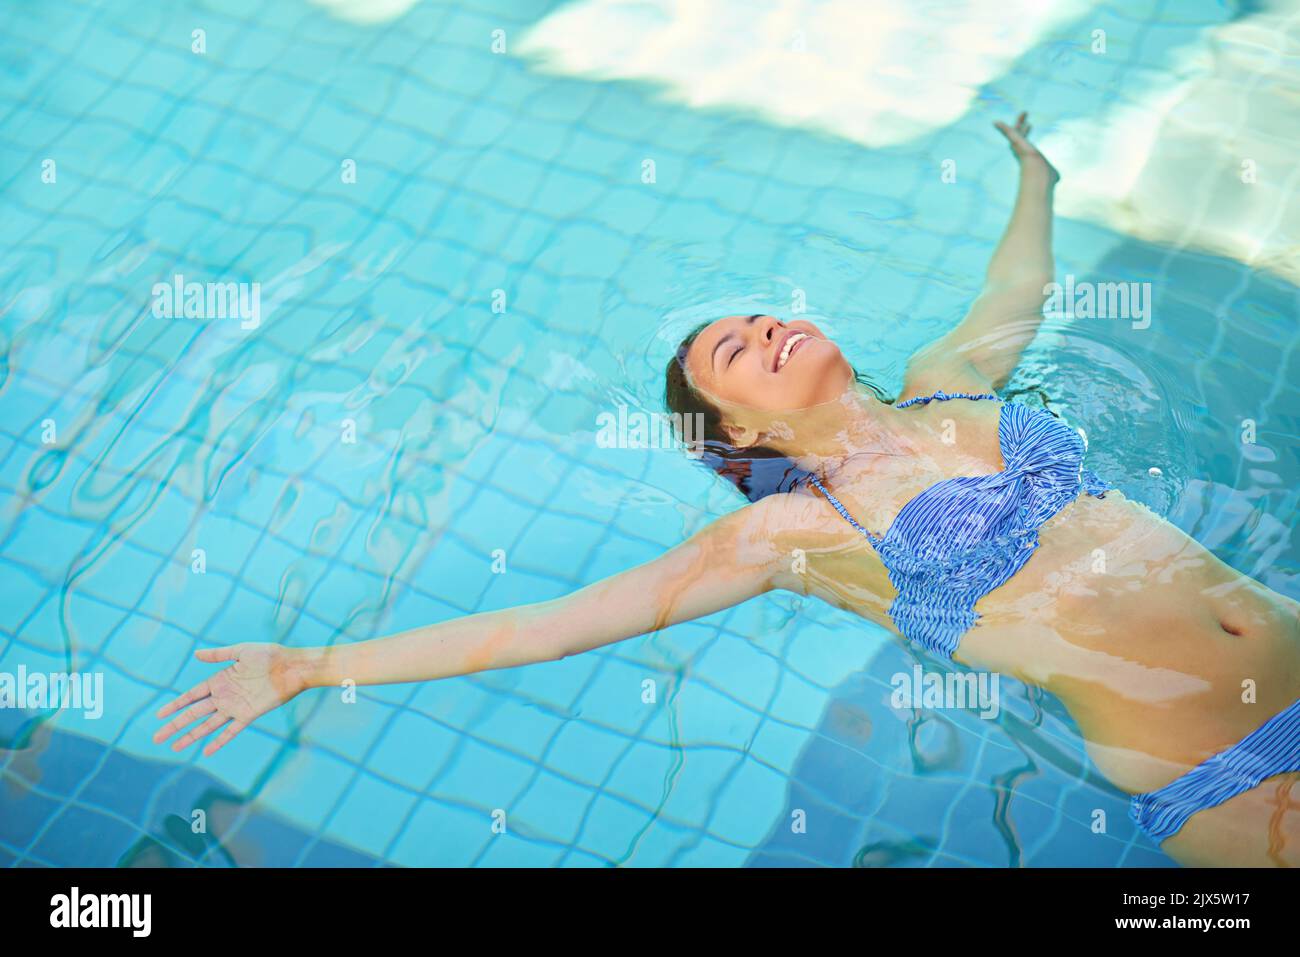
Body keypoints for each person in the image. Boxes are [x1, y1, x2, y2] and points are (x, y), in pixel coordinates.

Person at [154, 115, 1300, 867]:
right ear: (742, 428)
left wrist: (1034, 176)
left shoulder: (949, 386)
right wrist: (310, 667)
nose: (762, 328)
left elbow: (1020, 283)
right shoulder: (790, 534)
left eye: (759, 319)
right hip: (1222, 776)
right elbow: (547, 625)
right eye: (735, 353)